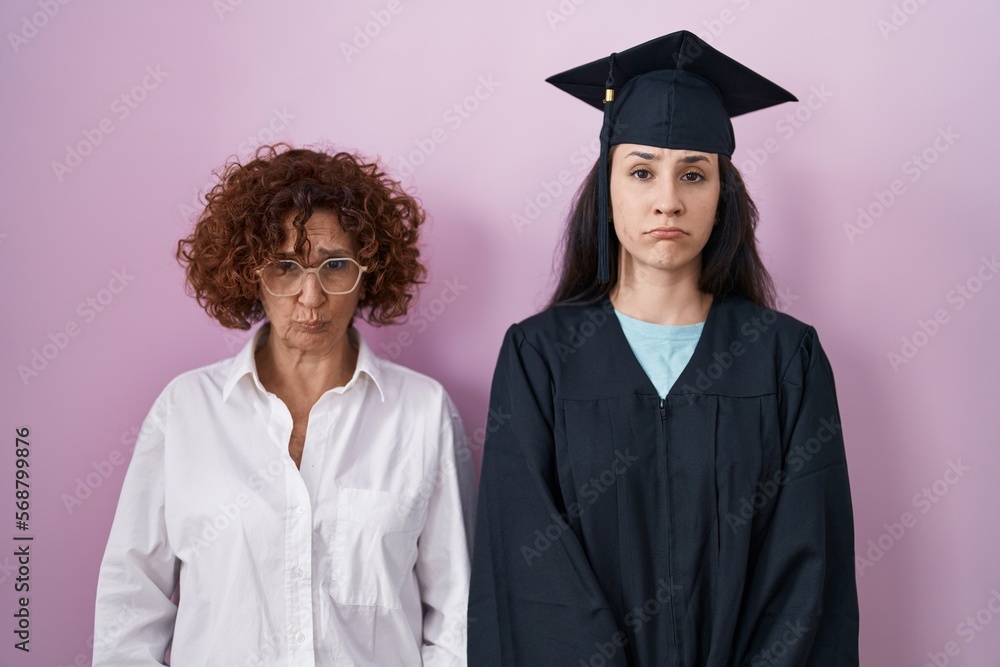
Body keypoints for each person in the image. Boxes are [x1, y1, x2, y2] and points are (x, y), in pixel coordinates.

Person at [468, 31, 859, 666]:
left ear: (721, 197)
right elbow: (525, 565)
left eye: (694, 175)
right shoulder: (540, 357)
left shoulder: (785, 359)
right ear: (609, 188)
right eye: (642, 170)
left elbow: (808, 567)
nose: (667, 200)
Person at [93, 145, 474, 666]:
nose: (311, 296)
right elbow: (129, 603)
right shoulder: (186, 410)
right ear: (250, 272)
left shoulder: (422, 413)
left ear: (370, 272)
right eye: (285, 267)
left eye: (335, 265)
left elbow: (458, 610)